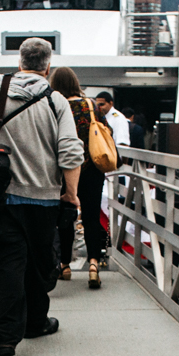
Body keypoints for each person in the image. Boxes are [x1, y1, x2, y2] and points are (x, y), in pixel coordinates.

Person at [0, 37, 81, 356]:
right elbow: (70, 152)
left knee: (9, 265)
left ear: (19, 63)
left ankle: (4, 338)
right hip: (45, 200)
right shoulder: (56, 101)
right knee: (41, 265)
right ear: (48, 67)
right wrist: (70, 195)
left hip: (0, 199)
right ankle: (36, 323)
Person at [49, 67, 109, 289]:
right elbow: (106, 131)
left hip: (64, 169)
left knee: (64, 217)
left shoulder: (54, 105)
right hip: (92, 169)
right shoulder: (92, 105)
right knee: (91, 217)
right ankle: (93, 264)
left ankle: (65, 264)